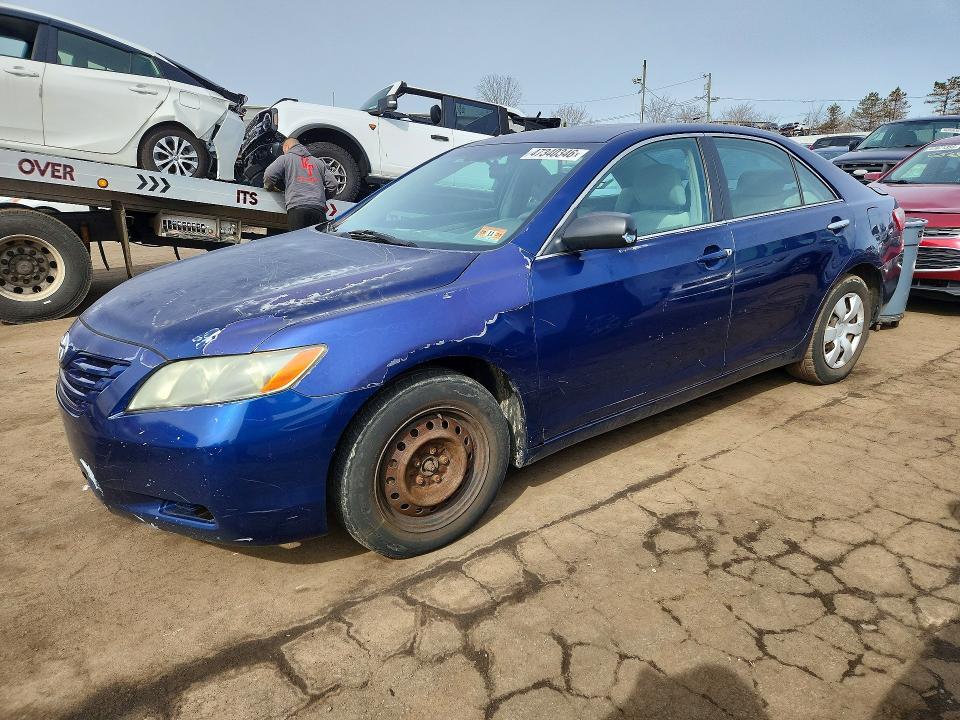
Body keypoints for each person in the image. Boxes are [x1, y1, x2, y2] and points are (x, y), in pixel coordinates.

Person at [263, 139, 340, 230]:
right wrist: (321, 198)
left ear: (287, 147)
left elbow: (269, 175)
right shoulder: (318, 163)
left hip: (297, 208)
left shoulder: (285, 159)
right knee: (317, 243)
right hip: (318, 209)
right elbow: (333, 185)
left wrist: (269, 187)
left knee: (298, 241)